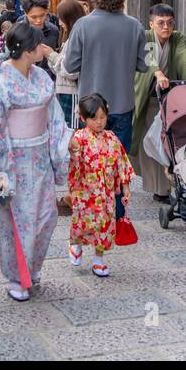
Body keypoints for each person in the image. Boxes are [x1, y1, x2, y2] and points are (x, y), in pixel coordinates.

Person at [0, 21, 70, 302]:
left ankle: (33, 269)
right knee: (17, 219)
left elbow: (54, 119)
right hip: (11, 161)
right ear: (27, 50)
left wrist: (64, 144)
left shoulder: (42, 78)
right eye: (38, 44)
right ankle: (17, 275)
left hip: (39, 158)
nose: (42, 48)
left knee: (44, 217)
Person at [62, 0, 148, 220]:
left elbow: (70, 65)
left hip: (91, 106)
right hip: (122, 103)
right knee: (118, 163)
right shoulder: (135, 26)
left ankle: (92, 210)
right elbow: (144, 65)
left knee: (89, 161)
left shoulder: (83, 25)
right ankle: (117, 213)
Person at [132, 3, 186, 202]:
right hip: (149, 98)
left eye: (169, 23)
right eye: (161, 23)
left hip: (171, 98)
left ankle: (166, 186)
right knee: (150, 140)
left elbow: (183, 55)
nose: (166, 27)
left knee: (168, 141)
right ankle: (160, 189)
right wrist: (157, 74)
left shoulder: (178, 38)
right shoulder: (145, 37)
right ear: (151, 24)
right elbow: (148, 60)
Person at [67, 93, 134, 278]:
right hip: (85, 192)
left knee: (104, 226)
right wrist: (72, 188)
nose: (99, 122)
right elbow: (73, 164)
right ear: (83, 118)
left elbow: (122, 162)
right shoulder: (79, 139)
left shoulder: (112, 138)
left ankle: (98, 259)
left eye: (103, 117)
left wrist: (126, 186)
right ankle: (76, 245)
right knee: (82, 222)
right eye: (94, 118)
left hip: (106, 194)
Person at [49, 0, 86, 127]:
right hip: (65, 90)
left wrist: (51, 55)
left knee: (71, 132)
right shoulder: (70, 36)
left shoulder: (75, 39)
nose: (59, 23)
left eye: (61, 19)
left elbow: (71, 71)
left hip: (72, 92)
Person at [21, 0, 62, 78]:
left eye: (42, 15)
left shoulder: (53, 30)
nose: (39, 20)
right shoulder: (18, 31)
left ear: (47, 11)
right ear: (25, 13)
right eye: (34, 17)